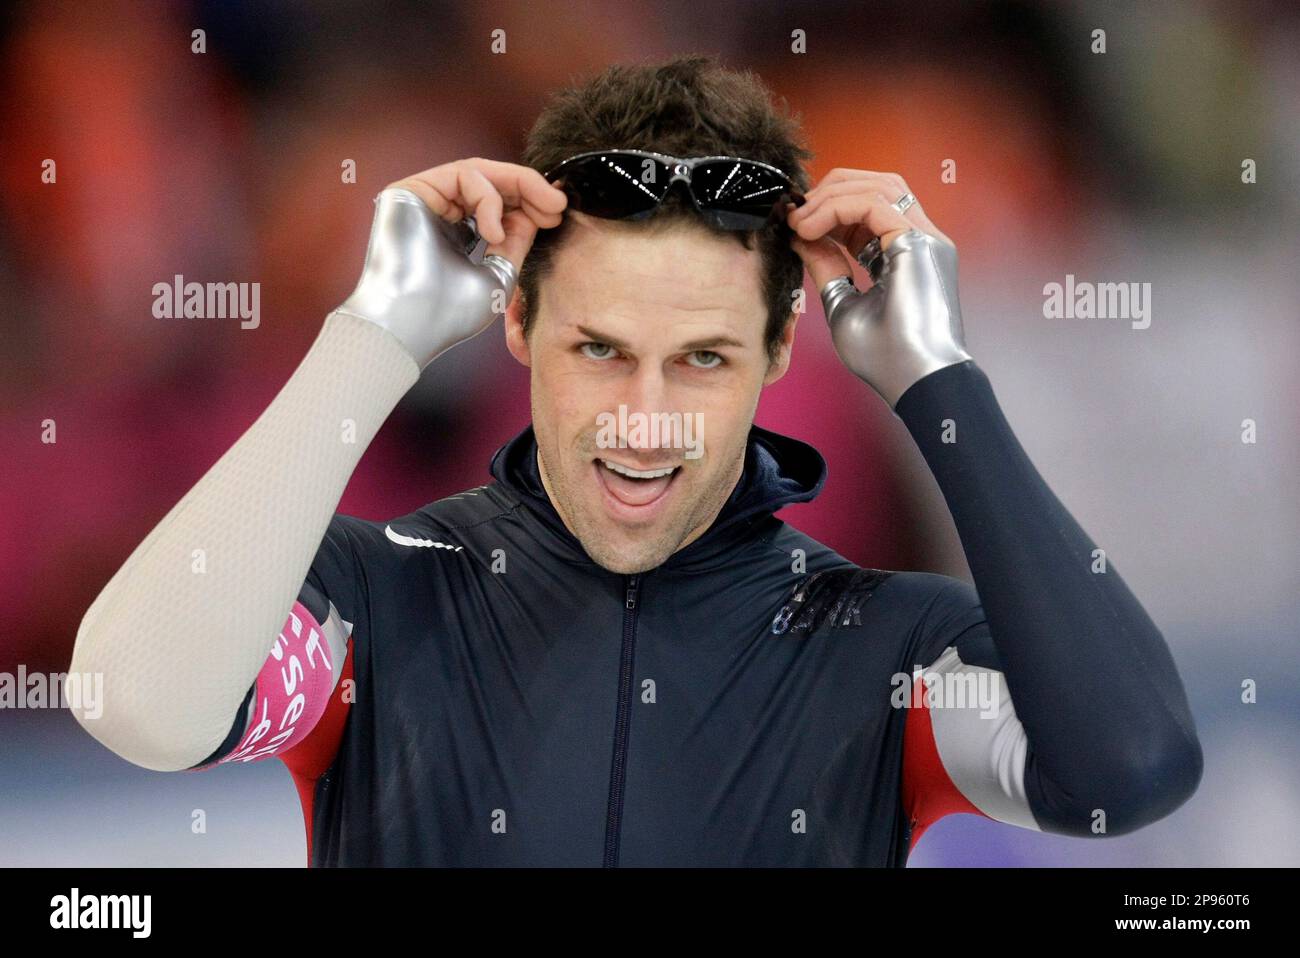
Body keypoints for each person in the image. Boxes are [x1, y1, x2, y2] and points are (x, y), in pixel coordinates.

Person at [69, 54, 1202, 867]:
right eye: (598, 348)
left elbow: (1131, 768)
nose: (642, 418)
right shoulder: (373, 599)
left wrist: (938, 378)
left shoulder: (882, 649)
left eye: (701, 359)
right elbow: (138, 706)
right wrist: (375, 334)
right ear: (516, 328)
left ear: (776, 351)